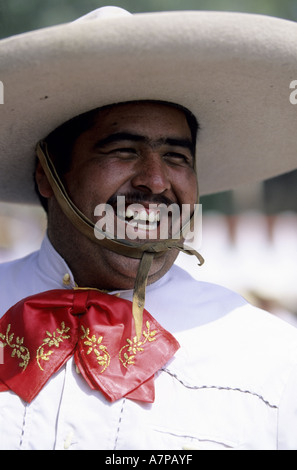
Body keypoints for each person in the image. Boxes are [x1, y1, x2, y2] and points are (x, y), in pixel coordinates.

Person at [0, 6, 297, 451]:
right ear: (48, 174)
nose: (156, 181)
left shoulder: (273, 361)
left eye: (177, 157)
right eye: (123, 150)